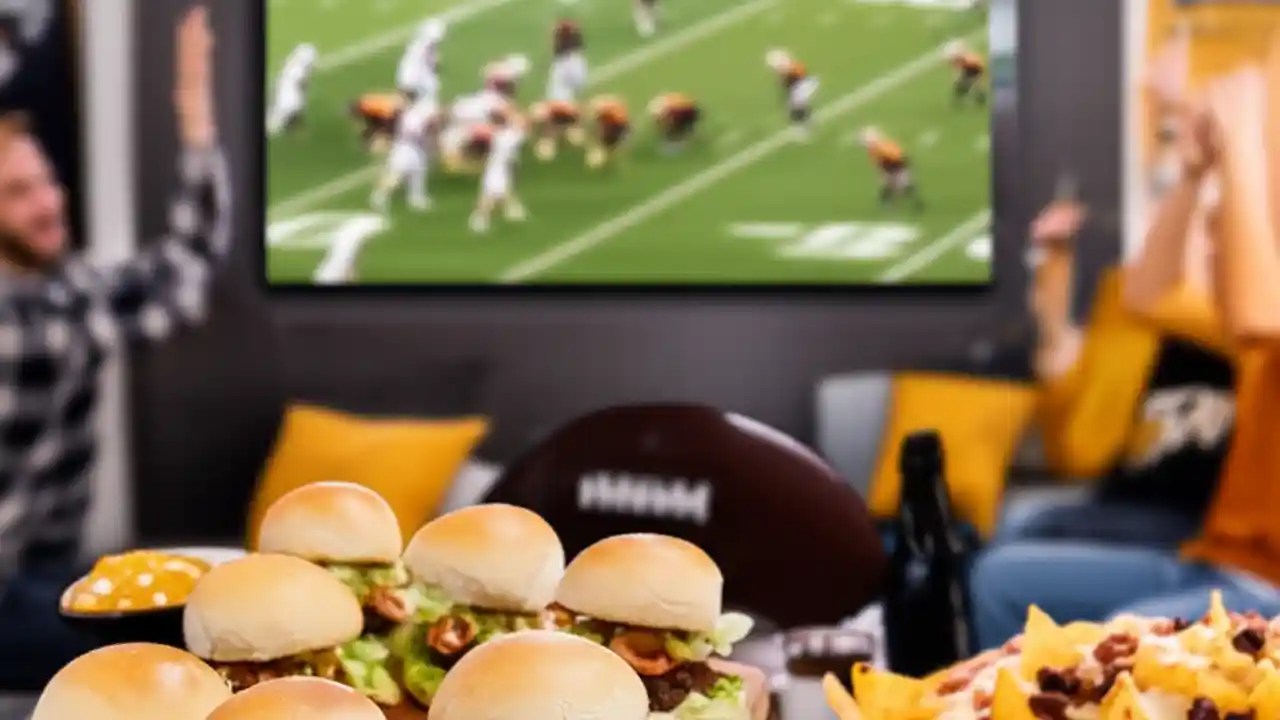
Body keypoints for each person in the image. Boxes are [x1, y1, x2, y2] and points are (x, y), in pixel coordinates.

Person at [971, 44, 1280, 649]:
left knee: (1116, 641)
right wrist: (1194, 173)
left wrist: (1243, 142)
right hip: (1215, 565)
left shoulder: (1260, 309)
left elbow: (1256, 316)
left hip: (1268, 591)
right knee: (998, 579)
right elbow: (1149, 293)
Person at [0, 6, 226, 689]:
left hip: (45, 573)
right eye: (16, 192)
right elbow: (179, 281)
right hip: (6, 593)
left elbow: (188, 262)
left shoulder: (66, 289)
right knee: (184, 650)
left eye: (45, 179)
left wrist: (195, 112)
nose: (48, 202)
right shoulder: (22, 326)